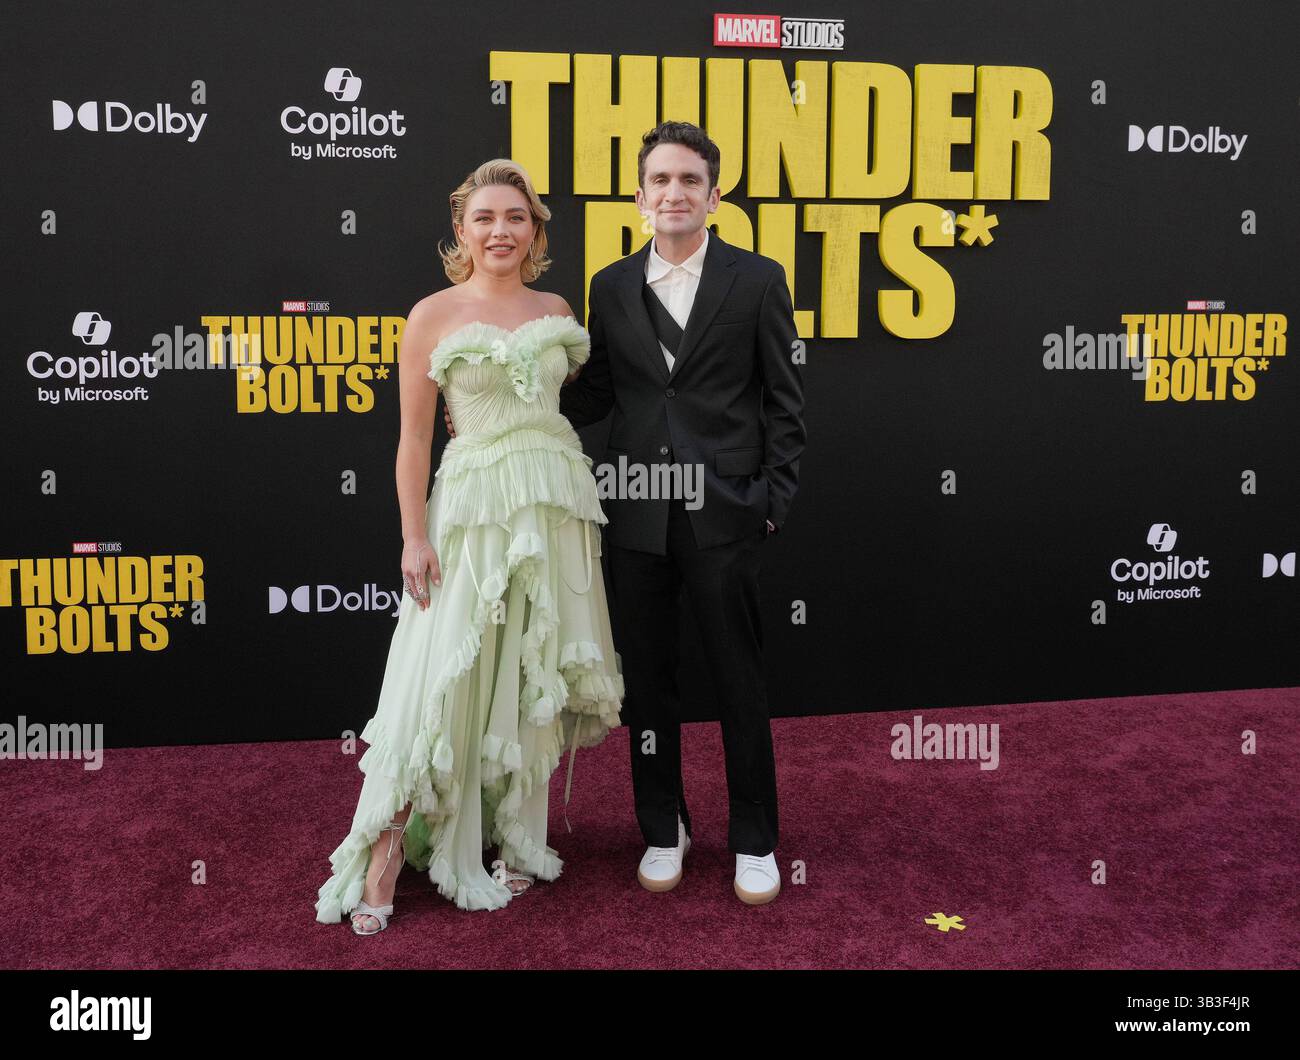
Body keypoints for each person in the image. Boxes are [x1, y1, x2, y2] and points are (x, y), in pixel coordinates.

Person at [447, 122, 805, 905]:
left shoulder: (758, 280)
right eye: (659, 181)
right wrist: (507, 411)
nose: (673, 193)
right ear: (639, 197)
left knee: (738, 680)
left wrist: (770, 505)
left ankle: (753, 837)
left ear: (714, 195)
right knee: (648, 682)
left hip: (727, 515)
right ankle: (661, 824)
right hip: (635, 518)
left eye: (689, 180)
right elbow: (597, 394)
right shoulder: (608, 287)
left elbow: (785, 401)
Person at [315, 159, 623, 934]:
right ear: (461, 230)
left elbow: (562, 400)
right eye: (484, 218)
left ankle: (515, 836)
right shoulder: (431, 315)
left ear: (535, 231)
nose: (500, 231)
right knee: (435, 674)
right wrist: (413, 535)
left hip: (553, 507)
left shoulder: (557, 307)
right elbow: (414, 437)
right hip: (471, 511)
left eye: (516, 218)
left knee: (529, 665)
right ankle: (385, 855)